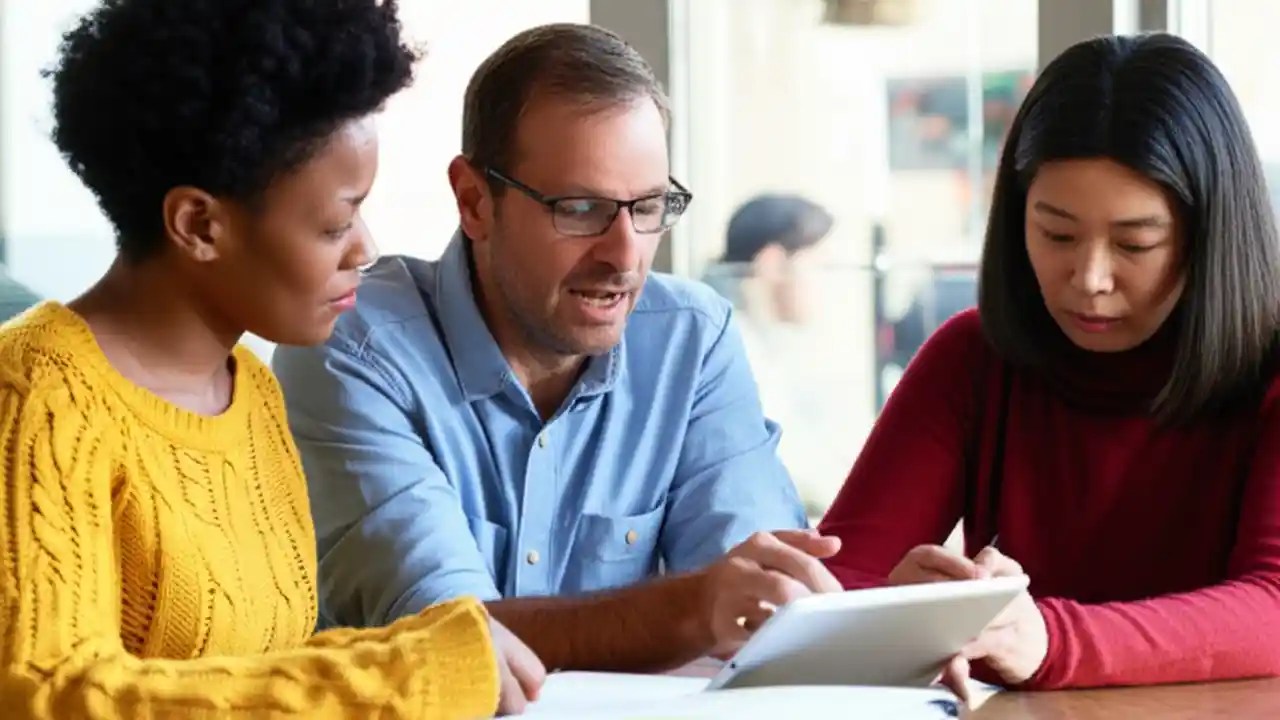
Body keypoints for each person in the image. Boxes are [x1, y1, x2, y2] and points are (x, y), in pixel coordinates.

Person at [0, 1, 542, 717]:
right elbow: (46, 691)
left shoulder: (251, 389)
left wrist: (412, 648)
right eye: (336, 223)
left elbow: (258, 670)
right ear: (199, 225)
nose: (365, 249)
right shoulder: (38, 394)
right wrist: (402, 676)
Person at [272, 22, 841, 674]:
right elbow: (451, 640)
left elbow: (764, 599)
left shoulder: (692, 340)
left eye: (649, 206)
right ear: (474, 201)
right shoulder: (356, 345)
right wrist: (691, 607)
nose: (626, 256)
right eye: (578, 209)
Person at [818, 32, 1280, 695]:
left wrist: (1044, 639)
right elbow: (839, 583)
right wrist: (901, 611)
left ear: (1209, 236)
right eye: (1056, 234)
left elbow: (1272, 607)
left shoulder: (1267, 373)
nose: (1089, 278)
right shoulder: (971, 359)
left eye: (1136, 242)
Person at [701, 194, 847, 514]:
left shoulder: (769, 342)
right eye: (820, 268)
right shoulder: (727, 349)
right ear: (773, 264)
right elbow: (803, 472)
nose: (828, 287)